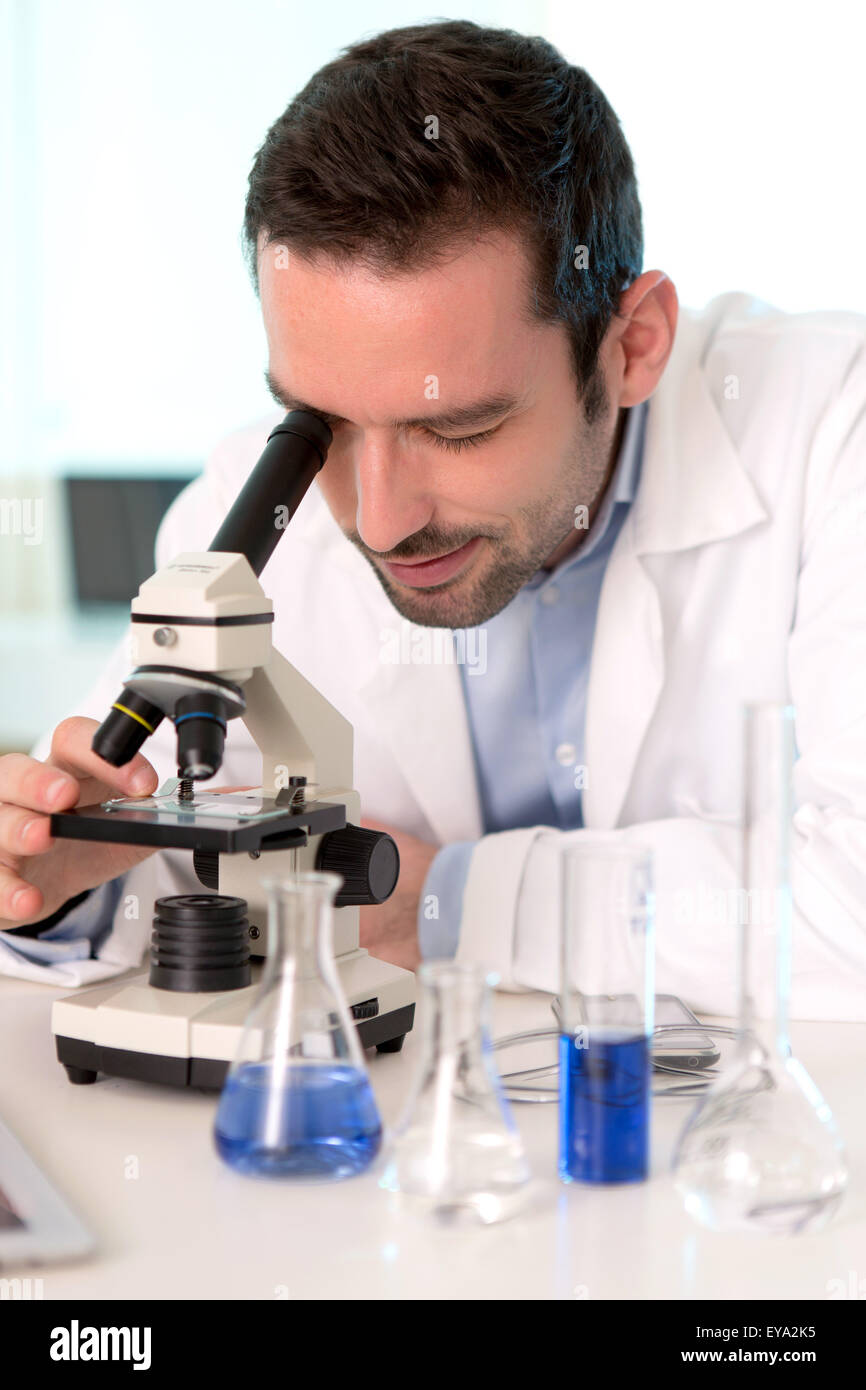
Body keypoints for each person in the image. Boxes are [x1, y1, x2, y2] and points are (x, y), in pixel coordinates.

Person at [1, 21, 864, 1017]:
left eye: (455, 428)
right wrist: (56, 890)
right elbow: (175, 876)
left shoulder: (831, 430)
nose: (377, 519)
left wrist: (443, 905)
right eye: (318, 423)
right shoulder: (244, 503)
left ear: (631, 345)